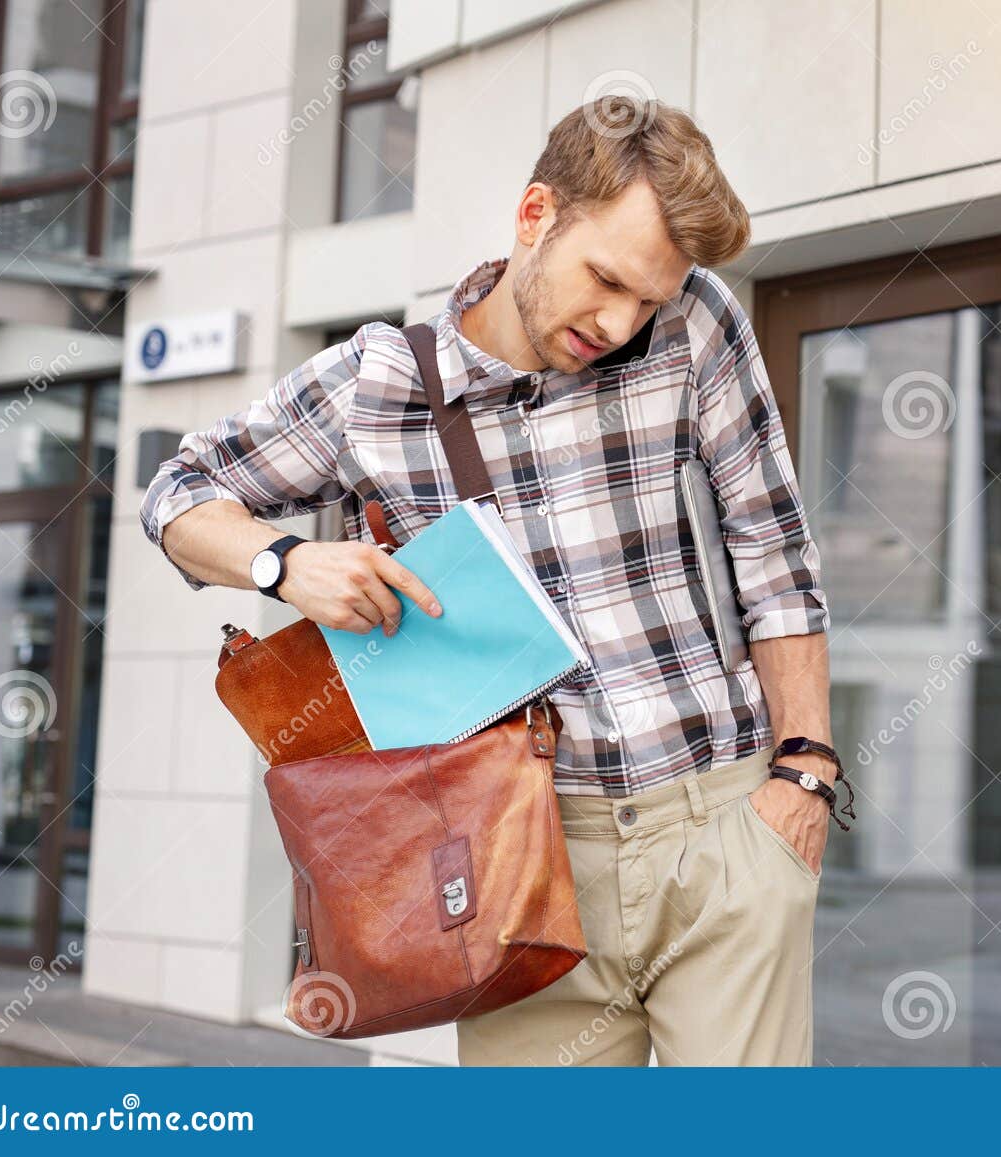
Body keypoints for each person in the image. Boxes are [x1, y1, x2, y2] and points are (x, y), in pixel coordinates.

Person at [140, 97, 844, 1066]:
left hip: (722, 829)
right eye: (604, 280)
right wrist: (287, 562)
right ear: (534, 215)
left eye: (647, 297)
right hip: (525, 867)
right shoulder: (373, 386)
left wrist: (805, 770)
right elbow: (175, 496)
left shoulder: (698, 323)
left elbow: (775, 552)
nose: (620, 320)